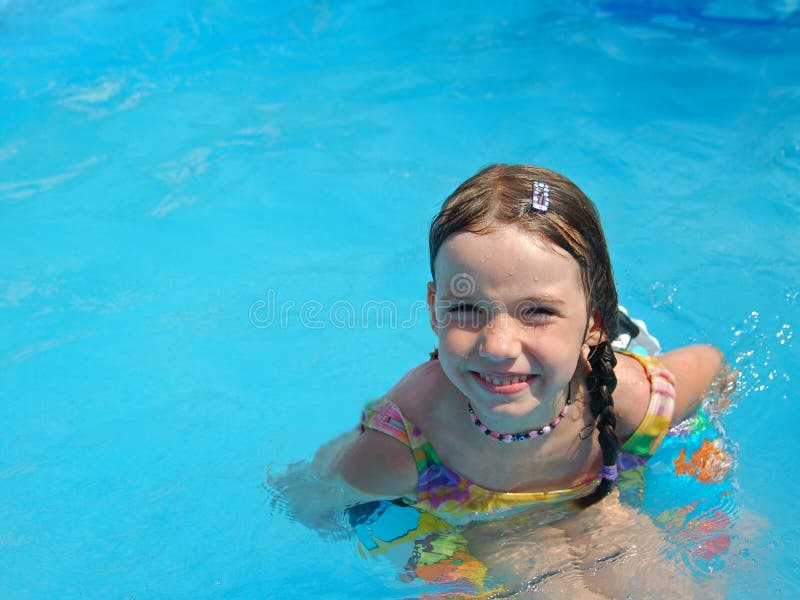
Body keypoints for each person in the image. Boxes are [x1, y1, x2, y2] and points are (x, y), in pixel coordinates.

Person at [271, 164, 728, 595]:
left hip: (596, 486)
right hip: (474, 514)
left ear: (593, 322)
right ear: (434, 309)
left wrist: (699, 456)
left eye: (537, 311)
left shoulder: (630, 394)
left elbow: (711, 365)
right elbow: (315, 497)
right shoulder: (407, 442)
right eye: (467, 309)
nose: (498, 346)